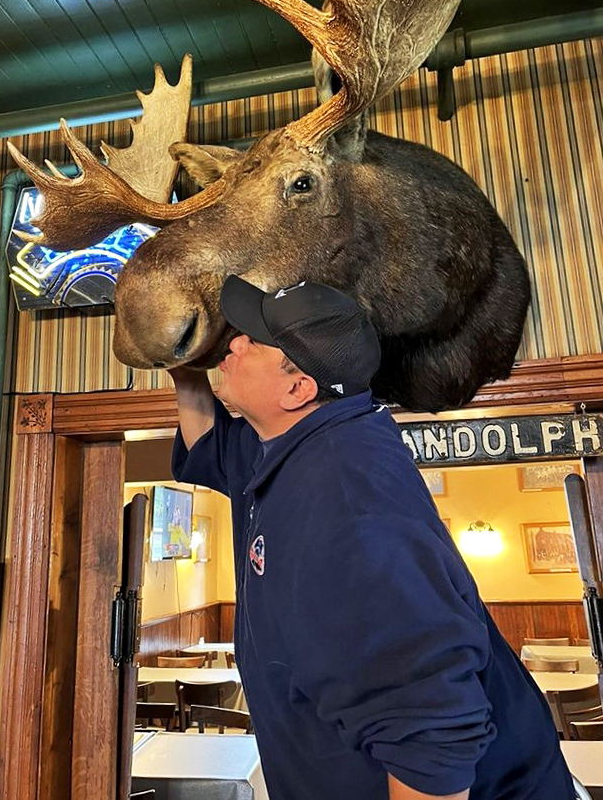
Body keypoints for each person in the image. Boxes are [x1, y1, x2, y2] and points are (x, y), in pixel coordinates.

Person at [169, 275, 575, 800]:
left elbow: (434, 746)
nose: (234, 342)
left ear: (298, 388)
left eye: (252, 339)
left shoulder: (353, 507)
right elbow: (211, 447)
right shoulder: (291, 439)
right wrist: (178, 351)